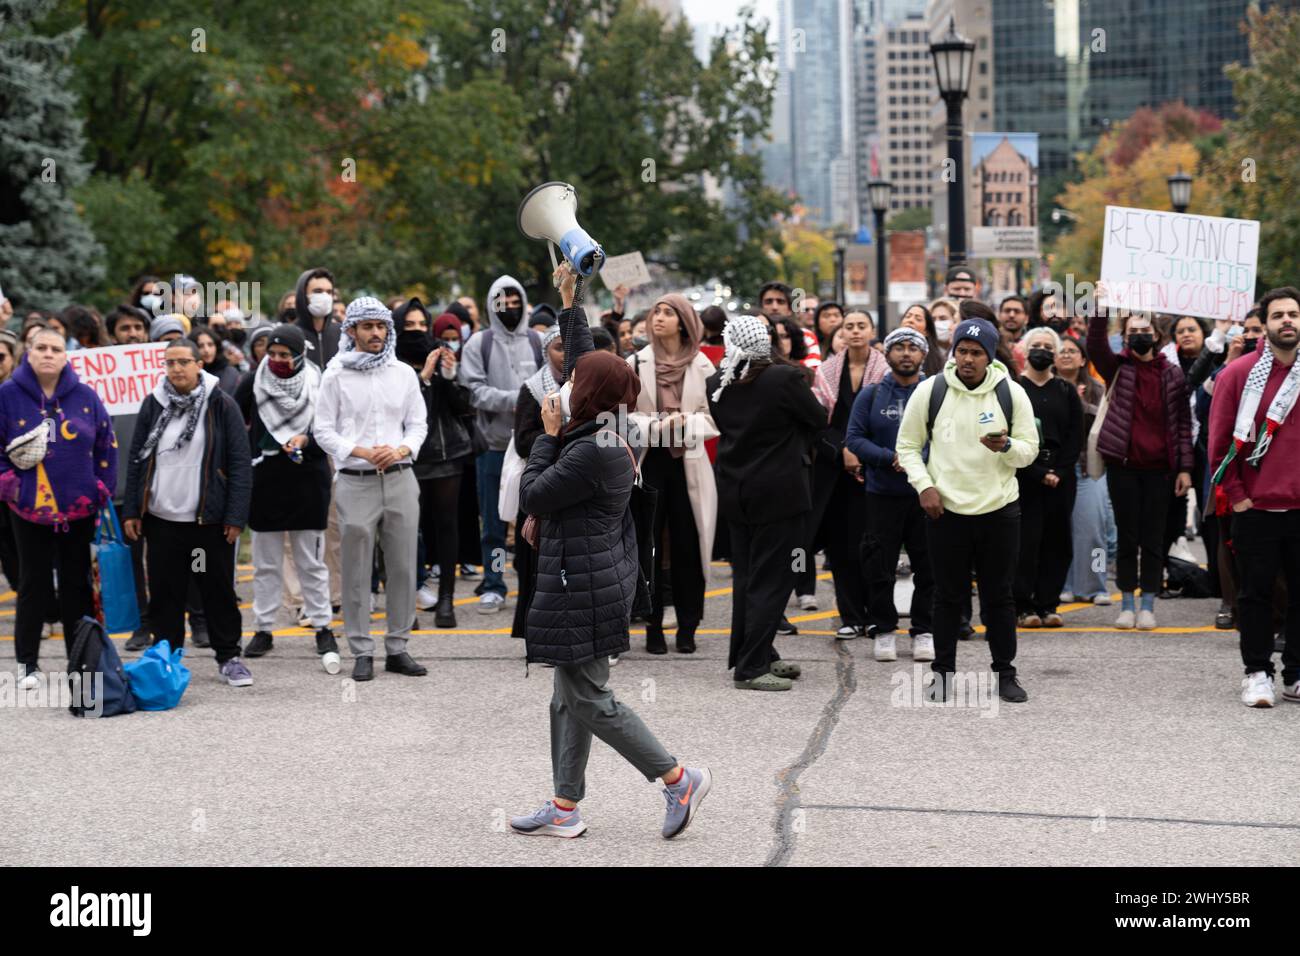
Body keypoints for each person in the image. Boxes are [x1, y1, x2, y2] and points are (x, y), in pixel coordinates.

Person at [510, 264, 711, 840]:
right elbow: (586, 362)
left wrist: (546, 436)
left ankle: (677, 778)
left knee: (589, 698)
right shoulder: (606, 416)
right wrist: (571, 301)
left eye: (574, 385)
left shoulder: (591, 446)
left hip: (586, 583)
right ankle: (565, 807)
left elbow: (534, 491)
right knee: (567, 697)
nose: (564, 386)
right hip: (590, 574)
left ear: (590, 395)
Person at [896, 316, 1039, 703]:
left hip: (999, 509)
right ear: (953, 352)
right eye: (962, 351)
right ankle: (942, 675)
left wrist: (1007, 446)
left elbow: (1030, 452)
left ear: (990, 357)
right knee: (947, 596)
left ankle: (1005, 674)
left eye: (976, 353)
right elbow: (907, 446)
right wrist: (924, 486)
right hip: (946, 511)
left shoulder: (1011, 392)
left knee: (999, 596)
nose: (967, 359)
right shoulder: (932, 390)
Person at [122, 339, 253, 686]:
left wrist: (235, 516)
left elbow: (240, 463)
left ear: (199, 364)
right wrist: (133, 509)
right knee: (166, 594)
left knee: (215, 589)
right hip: (163, 522)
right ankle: (167, 657)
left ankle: (229, 657)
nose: (176, 369)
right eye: (170, 363)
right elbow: (137, 457)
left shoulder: (220, 404)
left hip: (205, 525)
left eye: (183, 361)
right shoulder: (154, 404)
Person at [708, 315, 826, 690]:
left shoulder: (717, 381)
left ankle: (757, 654)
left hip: (735, 490)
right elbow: (819, 418)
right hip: (779, 492)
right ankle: (752, 665)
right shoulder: (784, 378)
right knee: (773, 579)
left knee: (747, 578)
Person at [314, 297, 427, 680]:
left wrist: (400, 449)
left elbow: (418, 425)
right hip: (354, 481)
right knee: (356, 569)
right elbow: (323, 430)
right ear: (352, 331)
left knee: (402, 565)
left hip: (400, 476)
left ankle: (398, 646)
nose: (376, 333)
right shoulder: (335, 375)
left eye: (381, 326)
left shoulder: (403, 374)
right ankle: (361, 649)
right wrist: (359, 450)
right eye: (367, 326)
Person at [0, 328, 117, 689]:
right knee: (32, 583)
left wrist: (100, 489)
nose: (48, 354)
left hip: (78, 509)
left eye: (55, 349)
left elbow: (106, 444)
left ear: (66, 356)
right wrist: (11, 486)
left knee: (75, 584)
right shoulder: (6, 396)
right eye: (41, 348)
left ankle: (79, 661)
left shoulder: (85, 396)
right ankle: (27, 663)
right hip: (28, 508)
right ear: (28, 353)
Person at [1209, 287, 1300, 708]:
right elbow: (1219, 446)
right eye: (1278, 315)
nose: (1287, 321)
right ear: (1264, 324)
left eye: (1294, 315)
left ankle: (1296, 675)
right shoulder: (1238, 374)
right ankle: (1257, 673)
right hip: (1255, 508)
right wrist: (1239, 496)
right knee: (1255, 595)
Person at [239, 325, 339, 672]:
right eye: (273, 354)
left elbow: (331, 427)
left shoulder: (320, 381)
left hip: (308, 481)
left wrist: (306, 440)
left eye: (285, 355)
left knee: (310, 562)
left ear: (299, 355)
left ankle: (323, 627)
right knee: (266, 564)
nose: (278, 361)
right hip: (265, 481)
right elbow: (235, 421)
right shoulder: (253, 381)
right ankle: (263, 628)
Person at [1088, 308, 1193, 630]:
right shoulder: (1117, 367)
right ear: (1125, 335)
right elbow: (1095, 346)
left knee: (1152, 538)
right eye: (1132, 331)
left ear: (1157, 336)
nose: (1139, 336)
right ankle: (1127, 604)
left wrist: (1185, 468)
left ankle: (1148, 603)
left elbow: (1183, 426)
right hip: (1124, 467)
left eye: (1144, 330)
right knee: (1126, 537)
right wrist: (1101, 309)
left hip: (1161, 470)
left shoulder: (1172, 374)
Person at [627, 294, 718, 654]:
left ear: (684, 321)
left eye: (668, 313)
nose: (658, 318)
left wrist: (686, 422)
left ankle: (688, 626)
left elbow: (716, 417)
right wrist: (657, 425)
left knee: (689, 544)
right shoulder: (635, 362)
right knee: (647, 544)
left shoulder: (703, 366)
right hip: (651, 461)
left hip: (690, 460)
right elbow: (622, 414)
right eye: (656, 312)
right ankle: (651, 625)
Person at [845, 327, 936, 663]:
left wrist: (917, 462)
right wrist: (889, 458)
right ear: (887, 353)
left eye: (914, 347)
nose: (907, 353)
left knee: (928, 564)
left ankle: (924, 629)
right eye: (900, 347)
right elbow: (854, 439)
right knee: (878, 564)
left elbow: (946, 437)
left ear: (923, 354)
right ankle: (883, 630)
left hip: (924, 492)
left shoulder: (934, 393)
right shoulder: (870, 395)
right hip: (882, 493)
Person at [459, 275, 542, 614]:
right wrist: (518, 400)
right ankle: (494, 583)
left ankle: (533, 582)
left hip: (533, 445)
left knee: (533, 520)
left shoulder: (538, 341)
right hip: (494, 446)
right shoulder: (479, 343)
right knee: (493, 523)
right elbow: (473, 390)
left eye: (514, 302)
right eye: (501, 303)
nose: (509, 308)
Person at [806, 309, 887, 636]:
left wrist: (862, 452)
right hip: (834, 471)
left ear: (872, 330)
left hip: (874, 468)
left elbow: (888, 422)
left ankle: (876, 615)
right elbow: (816, 423)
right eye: (849, 326)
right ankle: (850, 616)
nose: (855, 331)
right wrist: (843, 451)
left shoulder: (885, 371)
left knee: (872, 542)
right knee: (840, 545)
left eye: (861, 326)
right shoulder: (826, 371)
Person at [404, 311, 473, 628]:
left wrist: (448, 376)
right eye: (409, 324)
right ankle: (406, 600)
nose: (416, 330)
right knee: (405, 531)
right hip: (407, 455)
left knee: (447, 527)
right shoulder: (392, 362)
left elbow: (463, 407)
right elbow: (407, 412)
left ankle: (447, 599)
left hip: (446, 454)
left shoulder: (442, 353)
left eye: (421, 324)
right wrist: (425, 378)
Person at [1014, 327, 1083, 627]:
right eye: (1036, 345)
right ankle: (1023, 606)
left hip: (1061, 477)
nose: (1041, 350)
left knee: (1057, 541)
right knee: (1025, 542)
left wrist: (1060, 471)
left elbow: (1074, 436)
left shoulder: (1066, 391)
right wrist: (1038, 473)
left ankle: (1047, 604)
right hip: (1024, 476)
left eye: (1047, 346)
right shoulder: (1014, 388)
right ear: (1025, 351)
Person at [510, 325, 565, 640]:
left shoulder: (584, 385)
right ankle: (534, 632)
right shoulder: (533, 388)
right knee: (534, 558)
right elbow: (522, 441)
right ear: (546, 352)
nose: (565, 353)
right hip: (540, 480)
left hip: (572, 479)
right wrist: (554, 435)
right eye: (558, 347)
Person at [1054, 335, 1113, 605]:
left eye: (1072, 351)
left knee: (1094, 531)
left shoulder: (1098, 389)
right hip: (1057, 470)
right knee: (1060, 531)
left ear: (1082, 358)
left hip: (1090, 468)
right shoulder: (1047, 386)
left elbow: (1106, 420)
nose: (1066, 355)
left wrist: (1080, 404)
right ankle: (1063, 584)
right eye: (1061, 351)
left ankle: (1097, 585)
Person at [759, 281, 820, 368]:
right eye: (768, 302)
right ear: (761, 307)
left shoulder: (806, 336)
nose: (774, 307)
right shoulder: (750, 335)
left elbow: (810, 374)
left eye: (781, 302)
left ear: (789, 309)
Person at [294, 267, 342, 369]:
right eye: (318, 291)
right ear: (303, 295)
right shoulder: (292, 333)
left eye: (329, 292)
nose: (324, 296)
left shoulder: (342, 333)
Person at [899, 303, 945, 377]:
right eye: (908, 316)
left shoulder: (937, 363)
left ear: (926, 331)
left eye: (918, 319)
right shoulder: (888, 353)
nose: (910, 320)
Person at [192, 326, 239, 395]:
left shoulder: (228, 372)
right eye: (200, 346)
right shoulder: (190, 372)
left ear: (217, 347)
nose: (206, 350)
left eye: (210, 345)